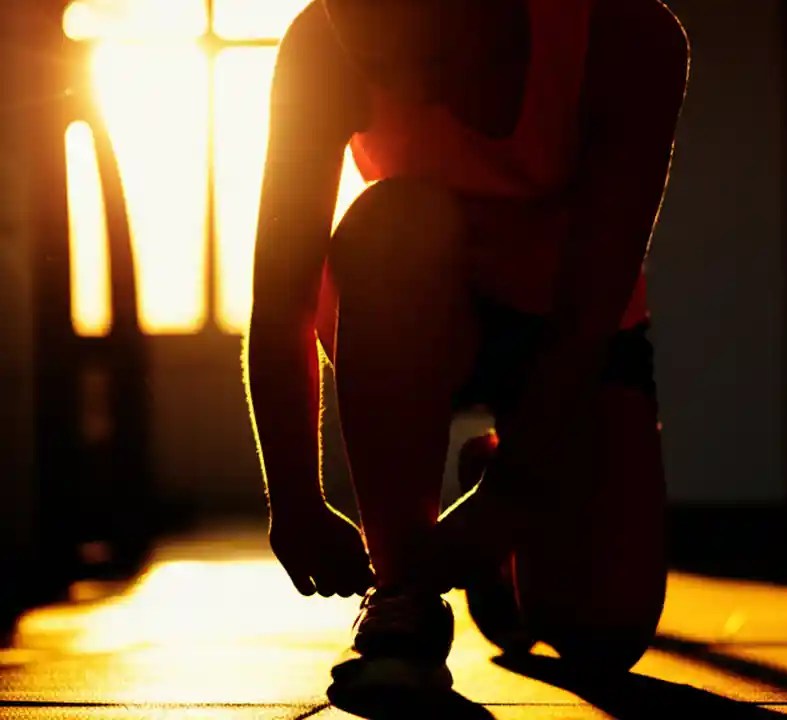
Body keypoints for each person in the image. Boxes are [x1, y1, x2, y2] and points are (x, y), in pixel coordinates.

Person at [242, 0, 689, 710]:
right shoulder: (319, 44)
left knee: (603, 633)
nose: (403, 89)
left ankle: (496, 515)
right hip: (413, 309)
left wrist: (510, 492)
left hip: (567, 329)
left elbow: (585, 321)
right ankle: (405, 597)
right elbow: (282, 300)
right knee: (390, 224)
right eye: (375, 64)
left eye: (426, 59)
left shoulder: (630, 37)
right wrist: (295, 499)